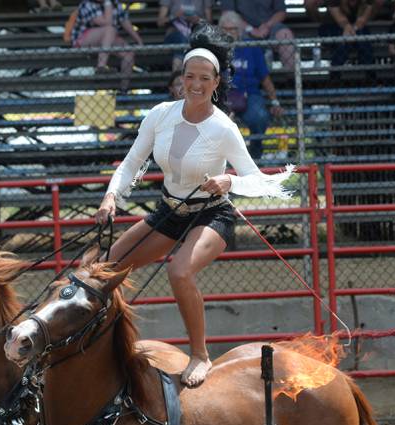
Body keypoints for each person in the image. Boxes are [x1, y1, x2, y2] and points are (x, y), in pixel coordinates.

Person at [94, 26, 294, 387]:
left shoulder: (223, 128)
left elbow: (260, 180)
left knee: (179, 272)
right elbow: (130, 162)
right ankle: (107, 345)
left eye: (205, 78)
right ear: (180, 79)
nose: (196, 84)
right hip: (170, 211)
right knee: (99, 267)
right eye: (190, 76)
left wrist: (229, 181)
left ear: (217, 82)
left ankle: (200, 355)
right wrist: (111, 195)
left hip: (211, 214)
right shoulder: (160, 115)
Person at [220, 11, 284, 161]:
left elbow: (265, 78)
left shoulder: (252, 48)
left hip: (250, 94)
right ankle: (224, 160)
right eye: (225, 29)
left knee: (260, 117)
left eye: (233, 29)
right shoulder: (215, 51)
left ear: (239, 30)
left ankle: (255, 151)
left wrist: (275, 102)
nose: (229, 33)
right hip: (222, 96)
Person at [70, 0, 144, 91]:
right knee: (110, 29)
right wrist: (107, 3)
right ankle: (101, 68)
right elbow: (107, 22)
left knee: (129, 54)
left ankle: (124, 88)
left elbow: (125, 22)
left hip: (107, 42)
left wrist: (139, 40)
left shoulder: (116, 4)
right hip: (83, 41)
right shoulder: (87, 4)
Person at [220, 0, 296, 69]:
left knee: (285, 34)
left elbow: (281, 12)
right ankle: (239, 78)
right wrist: (251, 29)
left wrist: (267, 26)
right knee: (230, 30)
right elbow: (227, 12)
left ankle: (291, 79)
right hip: (242, 28)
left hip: (270, 27)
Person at [157, 0, 213, 70]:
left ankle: (179, 76)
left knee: (195, 39)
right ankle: (178, 75)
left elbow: (209, 23)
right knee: (181, 38)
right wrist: (174, 16)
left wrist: (198, 20)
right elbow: (160, 22)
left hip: (196, 33)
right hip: (174, 34)